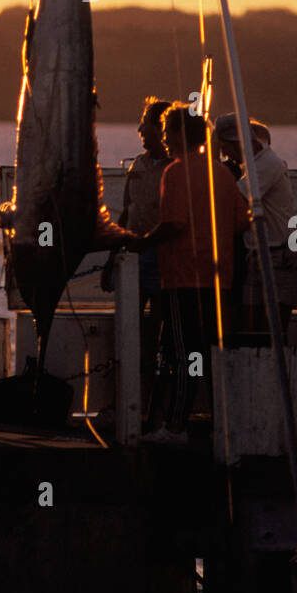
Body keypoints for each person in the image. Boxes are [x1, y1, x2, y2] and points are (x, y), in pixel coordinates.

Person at [139, 106, 250, 444]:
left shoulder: (174, 173)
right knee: (212, 352)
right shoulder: (223, 174)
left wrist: (138, 242)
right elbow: (241, 222)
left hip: (183, 276)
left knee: (185, 353)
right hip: (220, 279)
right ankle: (224, 425)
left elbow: (174, 223)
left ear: (175, 135)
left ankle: (176, 426)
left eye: (167, 132)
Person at [100, 97, 171, 426]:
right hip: (134, 255)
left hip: (165, 256)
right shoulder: (139, 165)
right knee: (126, 330)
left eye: (147, 123)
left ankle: (154, 411)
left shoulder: (177, 168)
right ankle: (125, 405)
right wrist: (113, 254)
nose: (140, 129)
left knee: (160, 336)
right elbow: (126, 213)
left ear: (163, 129)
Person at [214, 113, 297, 336]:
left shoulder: (266, 165)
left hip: (280, 257)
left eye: (225, 148)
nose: (227, 155)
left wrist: (212, 160)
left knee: (269, 330)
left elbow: (231, 198)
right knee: (251, 327)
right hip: (258, 254)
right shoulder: (253, 164)